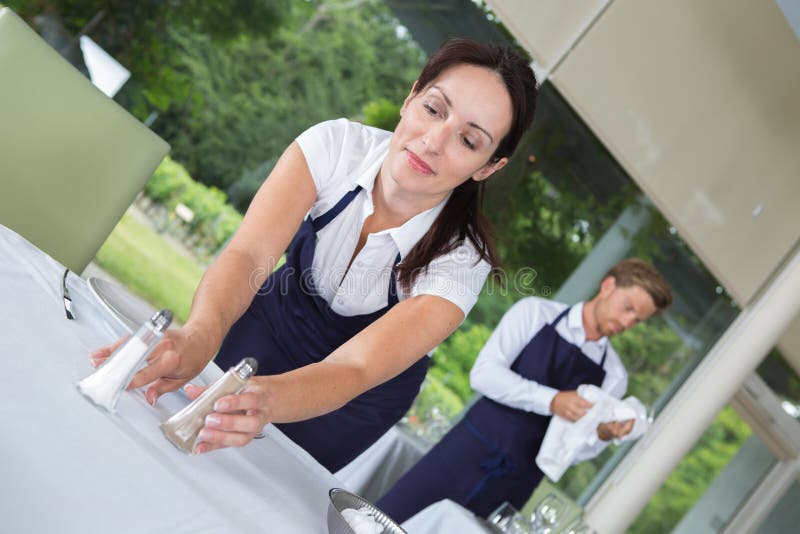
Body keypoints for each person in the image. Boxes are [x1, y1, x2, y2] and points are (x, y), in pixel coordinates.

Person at [91, 38, 539, 472]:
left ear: (488, 167)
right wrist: (201, 333)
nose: (434, 141)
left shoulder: (462, 263)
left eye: (469, 140)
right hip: (271, 322)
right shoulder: (336, 146)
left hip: (355, 398)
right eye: (433, 109)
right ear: (411, 97)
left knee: (250, 491)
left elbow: (357, 366)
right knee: (157, 433)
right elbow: (249, 254)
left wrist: (266, 399)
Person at [376, 258, 673, 521]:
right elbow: (484, 375)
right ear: (608, 285)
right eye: (628, 308)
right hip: (463, 452)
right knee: (387, 522)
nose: (626, 322)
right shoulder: (535, 313)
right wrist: (552, 400)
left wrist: (601, 435)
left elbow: (572, 449)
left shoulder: (614, 375)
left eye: (637, 320)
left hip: (515, 485)